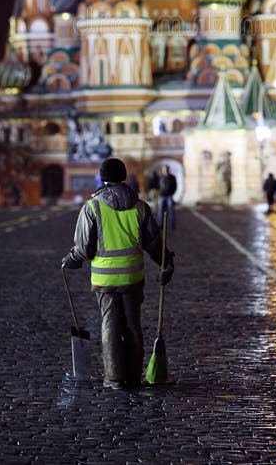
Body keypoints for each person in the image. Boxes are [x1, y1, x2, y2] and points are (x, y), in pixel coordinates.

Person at [61, 157, 174, 390]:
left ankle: (114, 378)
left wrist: (71, 261)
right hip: (133, 277)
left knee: (110, 326)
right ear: (124, 177)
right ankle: (133, 376)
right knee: (133, 326)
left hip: (105, 279)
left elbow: (83, 248)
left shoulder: (92, 207)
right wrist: (166, 263)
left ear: (102, 178)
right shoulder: (141, 206)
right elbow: (154, 244)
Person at [158, 165, 177, 230]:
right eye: (164, 169)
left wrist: (172, 193)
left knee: (171, 211)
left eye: (166, 169)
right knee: (160, 211)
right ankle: (160, 225)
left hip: (169, 195)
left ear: (168, 170)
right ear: (162, 170)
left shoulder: (172, 177)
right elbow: (157, 185)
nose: (165, 171)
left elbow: (175, 186)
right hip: (162, 196)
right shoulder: (160, 177)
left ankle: (172, 225)